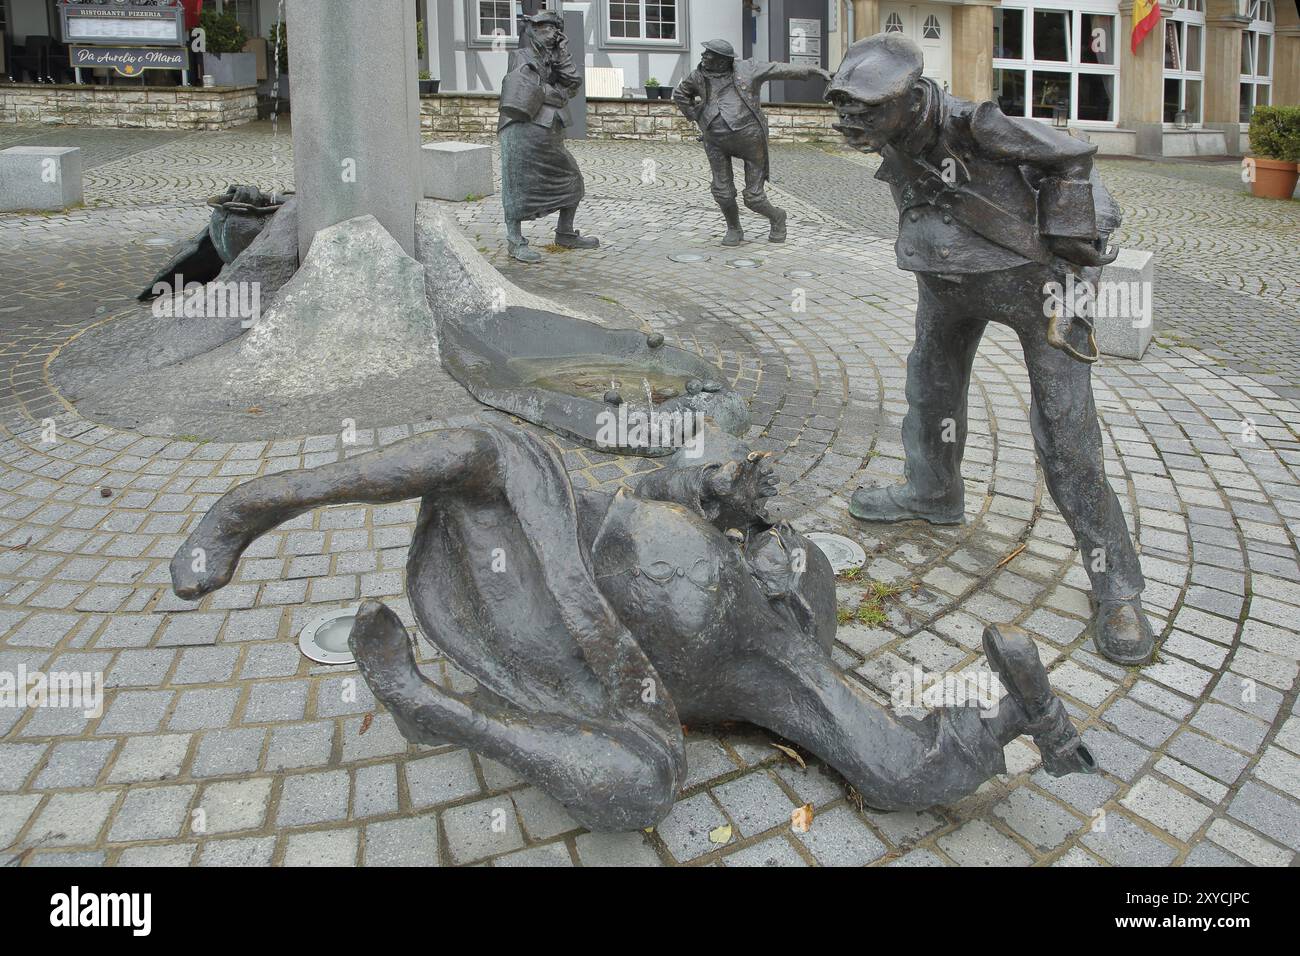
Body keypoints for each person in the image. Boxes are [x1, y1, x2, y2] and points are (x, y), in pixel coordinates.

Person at [172, 421, 1095, 832]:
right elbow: (644, 491)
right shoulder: (772, 573)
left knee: (638, 797)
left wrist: (1000, 724)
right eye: (774, 548)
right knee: (480, 446)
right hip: (571, 530)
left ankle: (427, 706)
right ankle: (248, 508)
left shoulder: (797, 658)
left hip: (611, 670)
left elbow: (890, 771)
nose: (777, 552)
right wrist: (707, 491)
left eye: (783, 557)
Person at [826, 33, 1154, 664]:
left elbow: (1085, 175)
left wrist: (1087, 243)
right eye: (846, 109)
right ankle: (934, 493)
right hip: (947, 287)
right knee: (930, 388)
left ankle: (1116, 585)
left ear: (912, 97)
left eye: (865, 110)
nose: (851, 123)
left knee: (1067, 437)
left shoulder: (985, 127)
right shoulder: (893, 128)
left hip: (1039, 294)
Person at [673, 39, 831, 245]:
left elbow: (781, 69)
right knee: (722, 190)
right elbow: (681, 94)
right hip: (714, 140)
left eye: (709, 54)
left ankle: (777, 217)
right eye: (704, 53)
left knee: (754, 197)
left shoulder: (749, 68)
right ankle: (734, 229)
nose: (703, 56)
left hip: (750, 139)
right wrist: (695, 115)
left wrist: (815, 71)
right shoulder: (698, 75)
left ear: (723, 61)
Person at [497, 11, 598, 263]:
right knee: (518, 184)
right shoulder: (521, 55)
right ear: (532, 30)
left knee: (572, 179)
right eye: (546, 29)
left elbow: (573, 82)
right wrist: (556, 93)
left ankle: (565, 233)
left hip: (549, 129)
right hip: (521, 130)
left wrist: (563, 53)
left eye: (555, 30)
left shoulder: (553, 59)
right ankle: (515, 240)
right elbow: (526, 90)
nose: (552, 34)